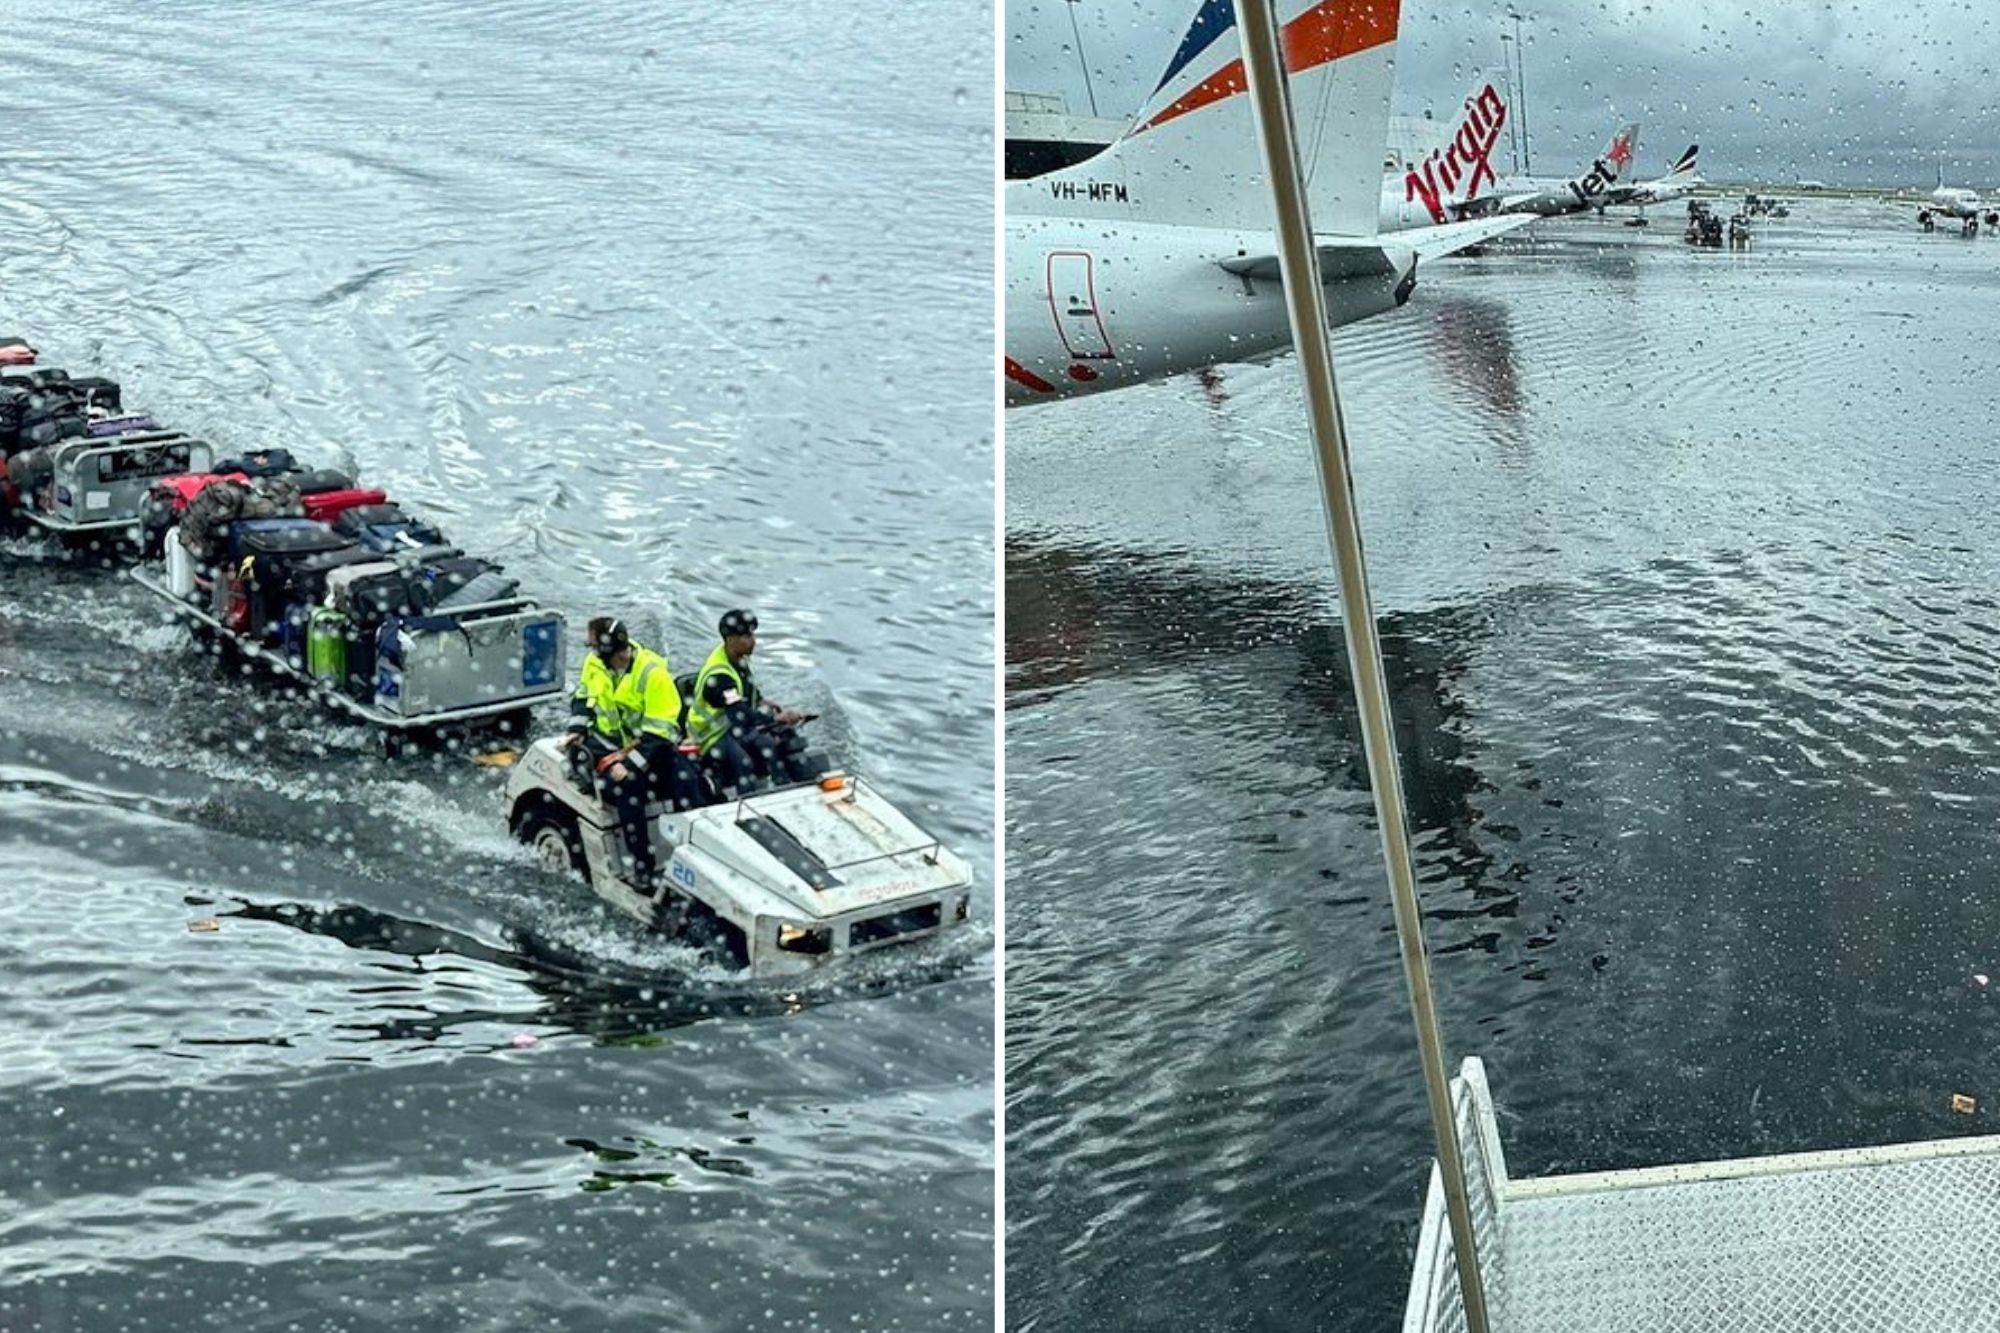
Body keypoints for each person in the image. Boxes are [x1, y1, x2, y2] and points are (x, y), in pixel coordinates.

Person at [564, 617, 706, 888]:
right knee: (628, 791)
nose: (592, 654)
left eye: (595, 648)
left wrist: (629, 763)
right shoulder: (594, 665)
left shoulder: (654, 675)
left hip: (651, 749)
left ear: (610, 652)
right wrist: (577, 728)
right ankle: (643, 867)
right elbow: (583, 698)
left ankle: (695, 859)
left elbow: (661, 733)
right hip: (604, 746)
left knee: (686, 782)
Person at [686, 608, 815, 795]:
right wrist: (777, 719)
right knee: (741, 760)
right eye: (746, 636)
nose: (753, 641)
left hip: (729, 727)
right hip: (710, 735)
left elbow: (748, 693)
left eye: (752, 635)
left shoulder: (738, 659)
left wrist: (764, 703)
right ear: (730, 639)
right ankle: (747, 803)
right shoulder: (720, 675)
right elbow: (740, 716)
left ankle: (786, 789)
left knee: (770, 745)